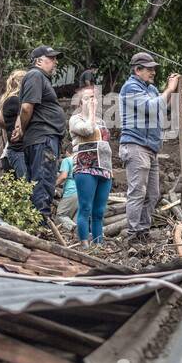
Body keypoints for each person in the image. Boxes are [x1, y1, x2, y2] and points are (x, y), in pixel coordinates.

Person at [118, 51, 181, 242]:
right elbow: (151, 108)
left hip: (151, 148)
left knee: (153, 194)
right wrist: (169, 89)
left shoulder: (151, 89)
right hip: (136, 145)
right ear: (137, 70)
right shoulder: (130, 87)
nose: (153, 72)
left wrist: (174, 90)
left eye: (154, 69)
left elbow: (164, 107)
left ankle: (143, 231)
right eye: (149, 69)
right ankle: (133, 234)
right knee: (137, 192)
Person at [12, 45, 66, 217]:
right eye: (51, 58)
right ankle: (40, 228)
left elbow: (26, 107)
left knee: (41, 182)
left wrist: (20, 127)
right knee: (43, 183)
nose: (55, 62)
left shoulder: (39, 78)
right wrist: (22, 130)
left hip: (44, 139)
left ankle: (36, 224)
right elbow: (27, 108)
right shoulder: (35, 75)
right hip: (43, 139)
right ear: (39, 61)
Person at [67, 85, 113, 244]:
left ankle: (98, 244)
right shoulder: (75, 119)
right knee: (85, 207)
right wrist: (92, 112)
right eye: (87, 98)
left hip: (104, 169)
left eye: (93, 97)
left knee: (99, 211)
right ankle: (85, 244)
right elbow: (87, 130)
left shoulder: (101, 121)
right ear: (80, 103)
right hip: (85, 167)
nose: (92, 101)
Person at [0, 68, 28, 179]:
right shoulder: (16, 101)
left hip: (13, 151)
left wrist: (9, 127)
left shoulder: (9, 99)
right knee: (26, 185)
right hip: (17, 150)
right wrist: (17, 129)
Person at [54, 146, 79, 230]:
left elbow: (63, 176)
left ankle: (76, 229)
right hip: (84, 191)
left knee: (60, 215)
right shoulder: (82, 160)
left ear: (67, 152)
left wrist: (53, 185)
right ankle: (80, 235)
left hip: (71, 191)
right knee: (75, 219)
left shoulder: (67, 160)